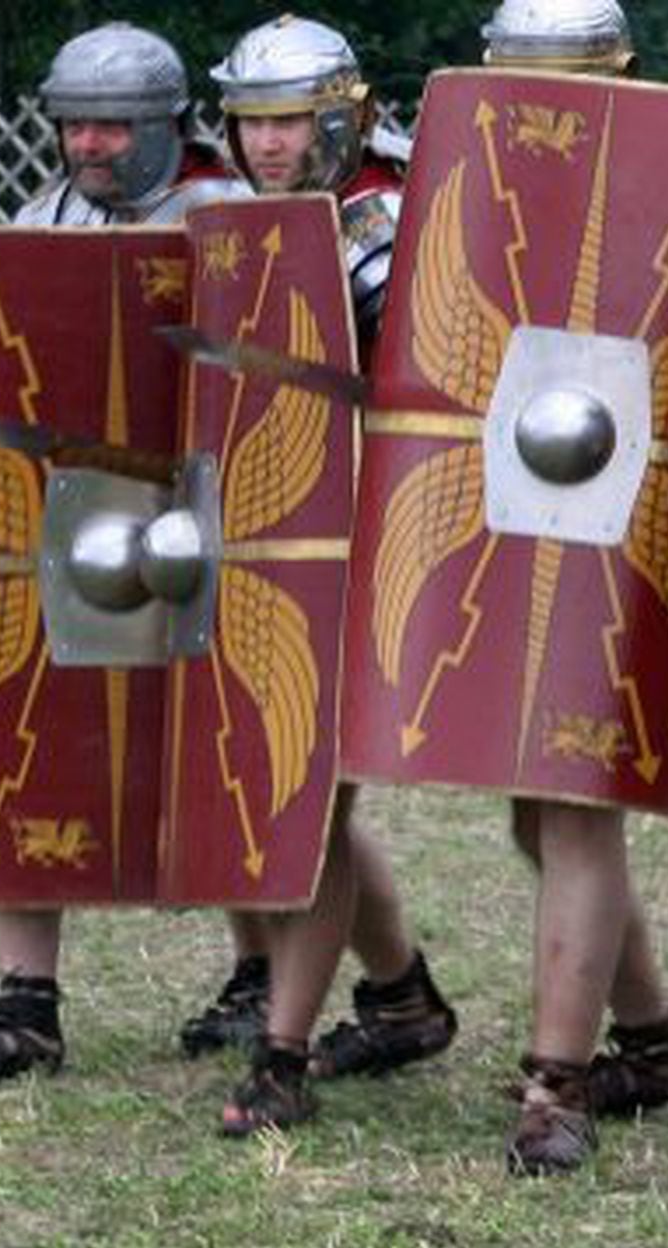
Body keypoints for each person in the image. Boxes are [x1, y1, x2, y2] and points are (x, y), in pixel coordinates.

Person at [0, 21, 251, 1092]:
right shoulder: (37, 222)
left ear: (165, 125)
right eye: (74, 126)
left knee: (223, 747)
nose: (88, 146)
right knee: (25, 730)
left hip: (206, 524)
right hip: (73, 530)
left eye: (111, 126)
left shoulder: (229, 221)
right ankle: (24, 1003)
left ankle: (261, 973)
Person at [203, 14, 458, 1137]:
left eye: (287, 121)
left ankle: (282, 1055)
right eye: (251, 121)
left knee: (307, 800)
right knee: (287, 788)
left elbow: (423, 403)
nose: (265, 142)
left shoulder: (393, 228)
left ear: (342, 116)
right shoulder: (246, 223)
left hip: (361, 540)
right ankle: (400, 996)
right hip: (258, 537)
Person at [476, 0, 668, 1178]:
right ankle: (651, 1040)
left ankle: (554, 1084)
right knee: (535, 807)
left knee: (574, 798)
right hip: (505, 514)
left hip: (626, 515)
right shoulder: (473, 184)